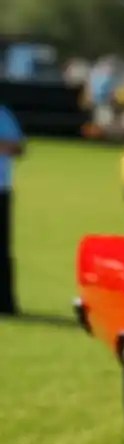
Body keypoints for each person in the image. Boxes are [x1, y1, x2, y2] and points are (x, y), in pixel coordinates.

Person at [0, 104, 23, 315]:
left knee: (1, 249)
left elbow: (19, 148)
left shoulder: (3, 114)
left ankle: (5, 303)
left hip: (1, 189)